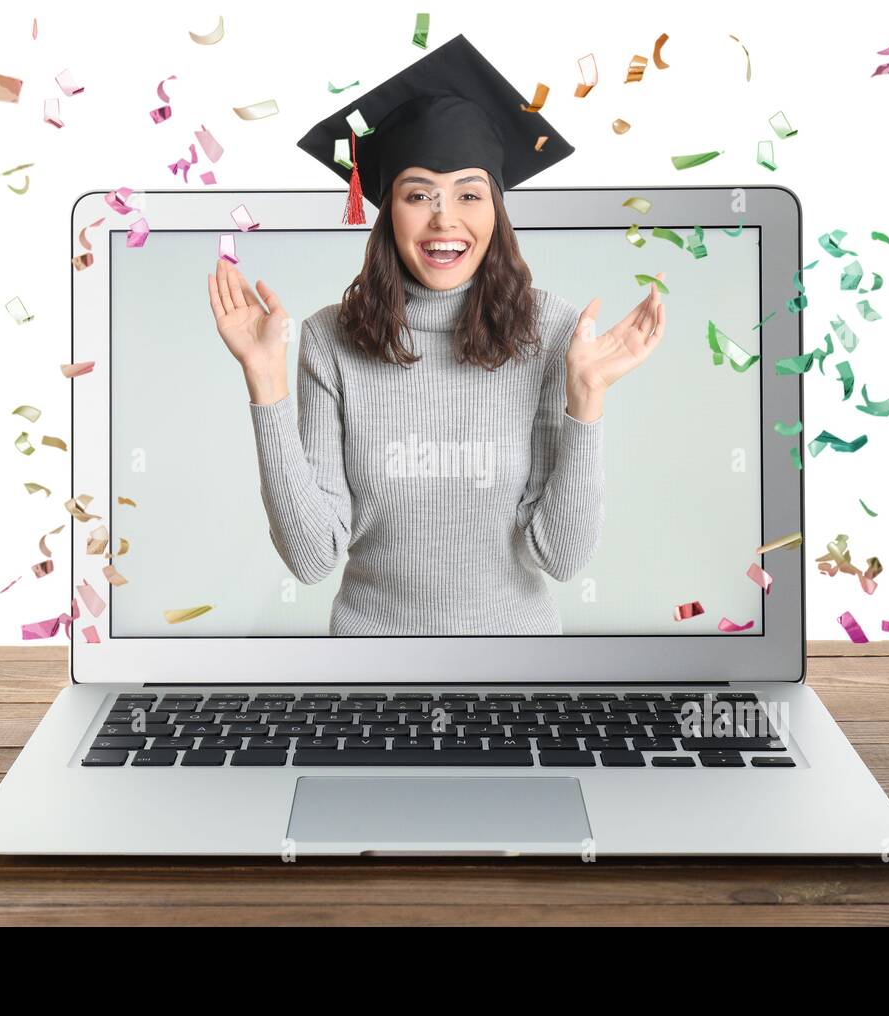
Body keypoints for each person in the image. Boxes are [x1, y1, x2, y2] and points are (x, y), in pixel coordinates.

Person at [207, 35, 666, 635]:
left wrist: (586, 398)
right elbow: (313, 557)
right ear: (386, 210)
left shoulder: (552, 330)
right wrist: (264, 381)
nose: (445, 218)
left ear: (495, 210)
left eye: (469, 195)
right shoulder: (329, 340)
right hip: (371, 675)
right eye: (419, 194)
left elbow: (564, 557)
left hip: (520, 674)